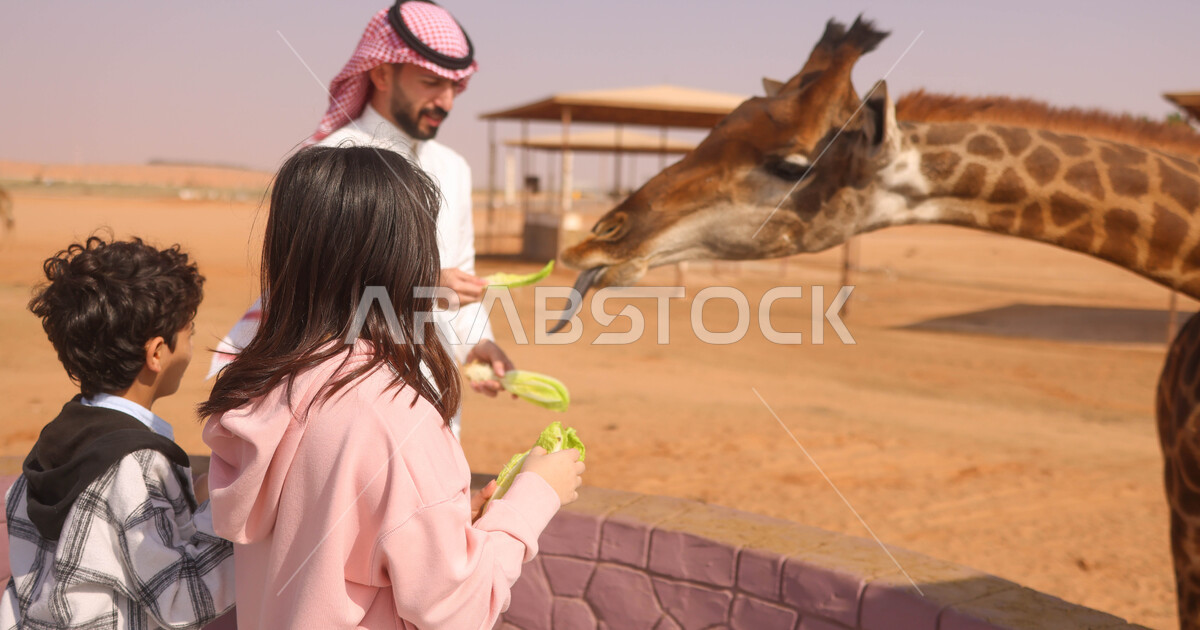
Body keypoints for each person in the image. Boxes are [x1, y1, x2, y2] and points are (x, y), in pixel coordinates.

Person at [200, 146, 584, 629]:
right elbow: (461, 608)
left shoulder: (264, 385)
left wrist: (442, 518)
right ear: (403, 261)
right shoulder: (392, 417)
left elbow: (333, 526)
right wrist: (534, 497)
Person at [209, 1, 513, 437]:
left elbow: (462, 278)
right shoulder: (327, 163)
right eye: (431, 82)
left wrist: (476, 343)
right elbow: (312, 294)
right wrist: (420, 284)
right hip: (339, 403)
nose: (445, 101)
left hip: (432, 395)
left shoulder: (453, 168)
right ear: (382, 73)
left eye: (455, 87)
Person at [1, 237, 234, 629]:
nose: (192, 347)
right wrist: (227, 509)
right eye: (189, 332)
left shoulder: (50, 446)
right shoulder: (137, 464)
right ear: (157, 352)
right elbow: (181, 598)